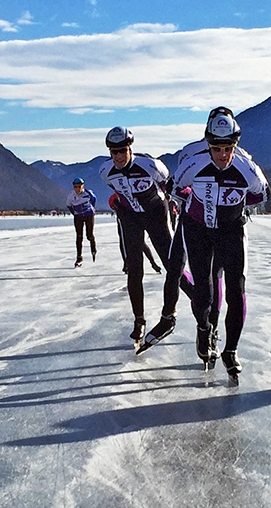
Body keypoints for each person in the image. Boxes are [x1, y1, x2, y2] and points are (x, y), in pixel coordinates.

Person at [171, 113, 267, 379]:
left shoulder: (248, 168)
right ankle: (204, 329)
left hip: (231, 230)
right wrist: (201, 202)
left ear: (235, 146)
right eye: (217, 148)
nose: (223, 155)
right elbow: (177, 190)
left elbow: (260, 195)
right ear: (208, 144)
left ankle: (231, 350)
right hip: (198, 229)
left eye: (228, 149)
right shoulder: (193, 164)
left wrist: (230, 208)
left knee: (237, 289)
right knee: (204, 294)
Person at [97, 126, 184, 352]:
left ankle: (199, 303)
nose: (118, 156)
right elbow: (116, 191)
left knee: (171, 265)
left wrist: (173, 208)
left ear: (130, 148)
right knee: (134, 269)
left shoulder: (151, 165)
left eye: (122, 151)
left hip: (156, 214)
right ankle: (139, 320)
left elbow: (170, 187)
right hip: (130, 218)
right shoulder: (106, 171)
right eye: (114, 152)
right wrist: (118, 204)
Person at [65, 178, 98, 266]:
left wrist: (91, 209)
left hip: (89, 215)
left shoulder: (88, 193)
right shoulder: (71, 196)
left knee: (89, 235)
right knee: (79, 237)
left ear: (83, 186)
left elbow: (94, 200)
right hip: (78, 217)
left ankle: (93, 248)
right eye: (75, 187)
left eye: (79, 186)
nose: (77, 189)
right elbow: (69, 206)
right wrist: (75, 213)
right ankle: (79, 257)